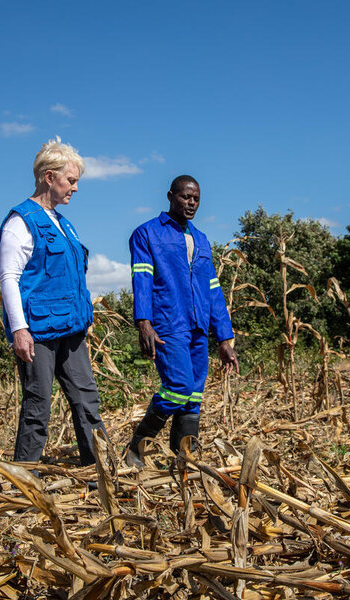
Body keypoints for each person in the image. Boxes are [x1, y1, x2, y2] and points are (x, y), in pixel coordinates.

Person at [0, 136, 108, 468]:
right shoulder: (21, 222)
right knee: (38, 406)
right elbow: (9, 278)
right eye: (70, 180)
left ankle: (101, 471)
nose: (75, 187)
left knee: (87, 399)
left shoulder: (64, 224)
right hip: (38, 333)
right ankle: (24, 478)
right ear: (49, 177)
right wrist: (19, 330)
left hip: (71, 328)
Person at [125, 175, 239, 468]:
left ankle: (183, 460)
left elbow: (213, 290)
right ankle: (135, 450)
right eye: (185, 197)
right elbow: (142, 279)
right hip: (168, 323)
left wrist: (224, 338)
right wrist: (144, 322)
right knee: (179, 386)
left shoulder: (201, 239)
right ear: (170, 196)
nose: (191, 203)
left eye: (196, 198)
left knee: (193, 396)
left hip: (198, 326)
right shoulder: (147, 233)